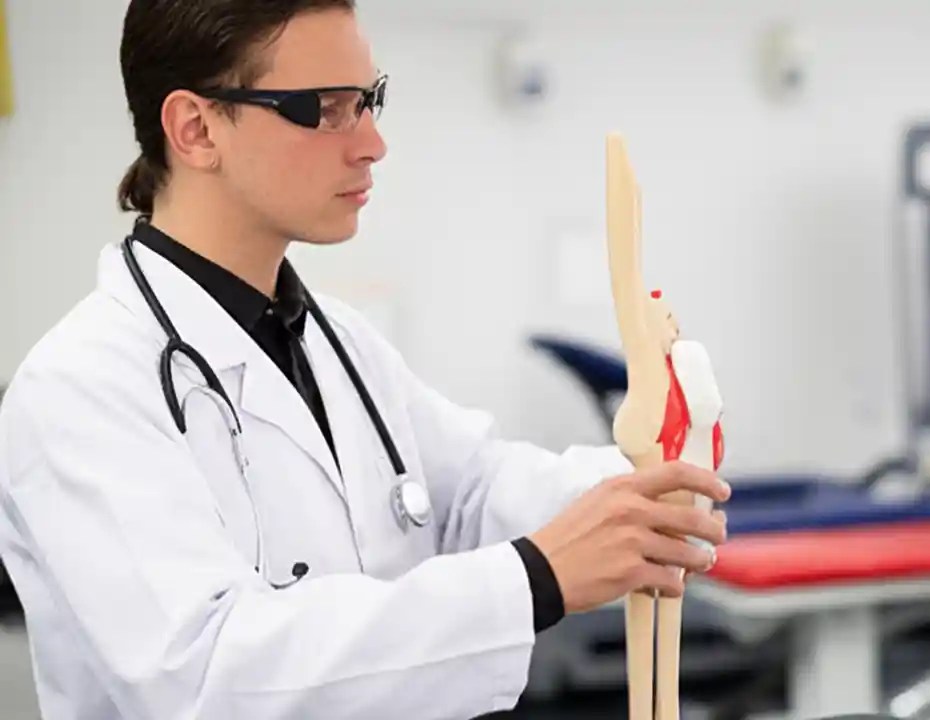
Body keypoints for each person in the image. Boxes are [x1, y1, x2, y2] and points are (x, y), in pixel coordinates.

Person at [0, 1, 730, 718]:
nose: (373, 142)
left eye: (369, 100)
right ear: (195, 129)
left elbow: (474, 490)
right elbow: (204, 678)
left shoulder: (337, 341)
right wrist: (534, 579)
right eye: (326, 108)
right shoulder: (79, 388)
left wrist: (647, 480)